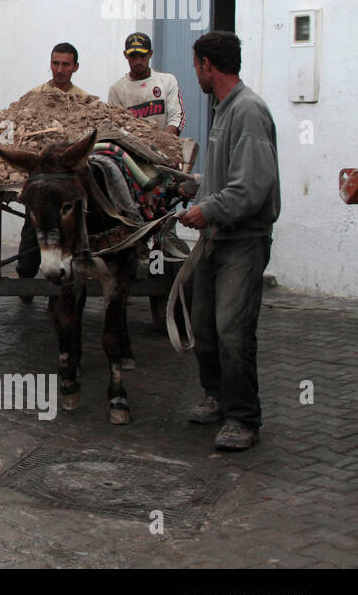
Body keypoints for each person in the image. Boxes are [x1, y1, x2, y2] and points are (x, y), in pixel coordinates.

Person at [177, 31, 279, 451]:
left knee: (233, 330)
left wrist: (207, 210)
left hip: (242, 242)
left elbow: (251, 187)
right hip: (216, 240)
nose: (195, 73)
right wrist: (194, 187)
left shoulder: (249, 111)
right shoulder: (223, 109)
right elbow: (227, 179)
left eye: (196, 65)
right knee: (204, 324)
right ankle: (216, 395)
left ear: (207, 65)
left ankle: (243, 418)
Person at [18, 42, 87, 285]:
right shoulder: (33, 97)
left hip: (67, 182)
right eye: (55, 63)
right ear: (50, 64)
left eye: (65, 64)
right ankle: (25, 276)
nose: (59, 69)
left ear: (75, 67)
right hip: (41, 180)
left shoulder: (85, 101)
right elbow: (21, 135)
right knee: (33, 225)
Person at [107, 32, 185, 135]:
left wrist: (164, 142)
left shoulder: (167, 81)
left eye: (142, 55)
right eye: (133, 56)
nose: (138, 61)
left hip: (164, 146)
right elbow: (115, 126)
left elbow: (176, 117)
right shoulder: (117, 90)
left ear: (150, 54)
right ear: (125, 55)